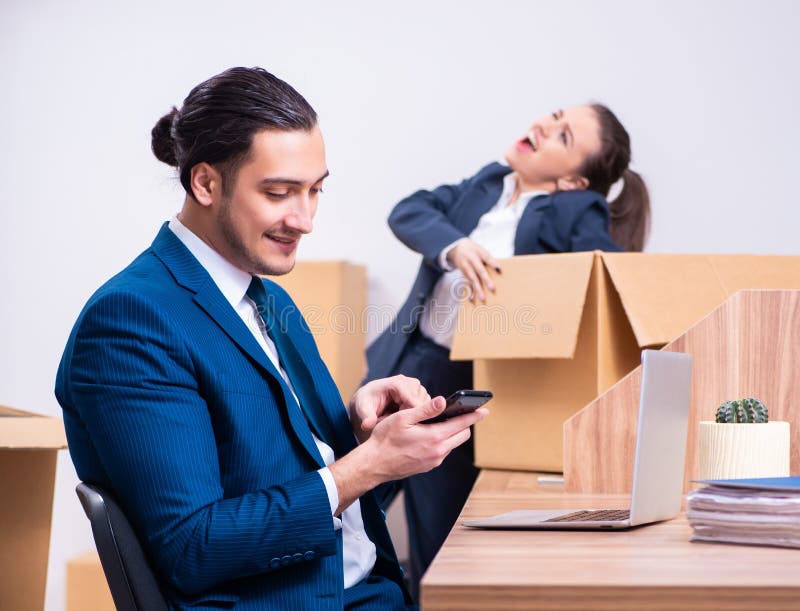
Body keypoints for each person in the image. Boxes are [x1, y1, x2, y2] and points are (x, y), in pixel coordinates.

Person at [55, 66, 488, 611]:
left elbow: (261, 459)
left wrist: (354, 431)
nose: (304, 219)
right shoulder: (129, 321)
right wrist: (369, 464)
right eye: (280, 192)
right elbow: (193, 548)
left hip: (367, 591)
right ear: (206, 182)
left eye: (315, 190)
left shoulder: (265, 297)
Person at [364, 104, 651, 598]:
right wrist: (454, 245)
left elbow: (606, 274)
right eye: (555, 116)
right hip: (409, 361)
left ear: (573, 182)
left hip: (467, 381)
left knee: (437, 525)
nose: (542, 126)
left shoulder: (572, 210)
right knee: (357, 498)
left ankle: (425, 599)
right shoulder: (488, 182)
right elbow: (407, 211)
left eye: (562, 136)